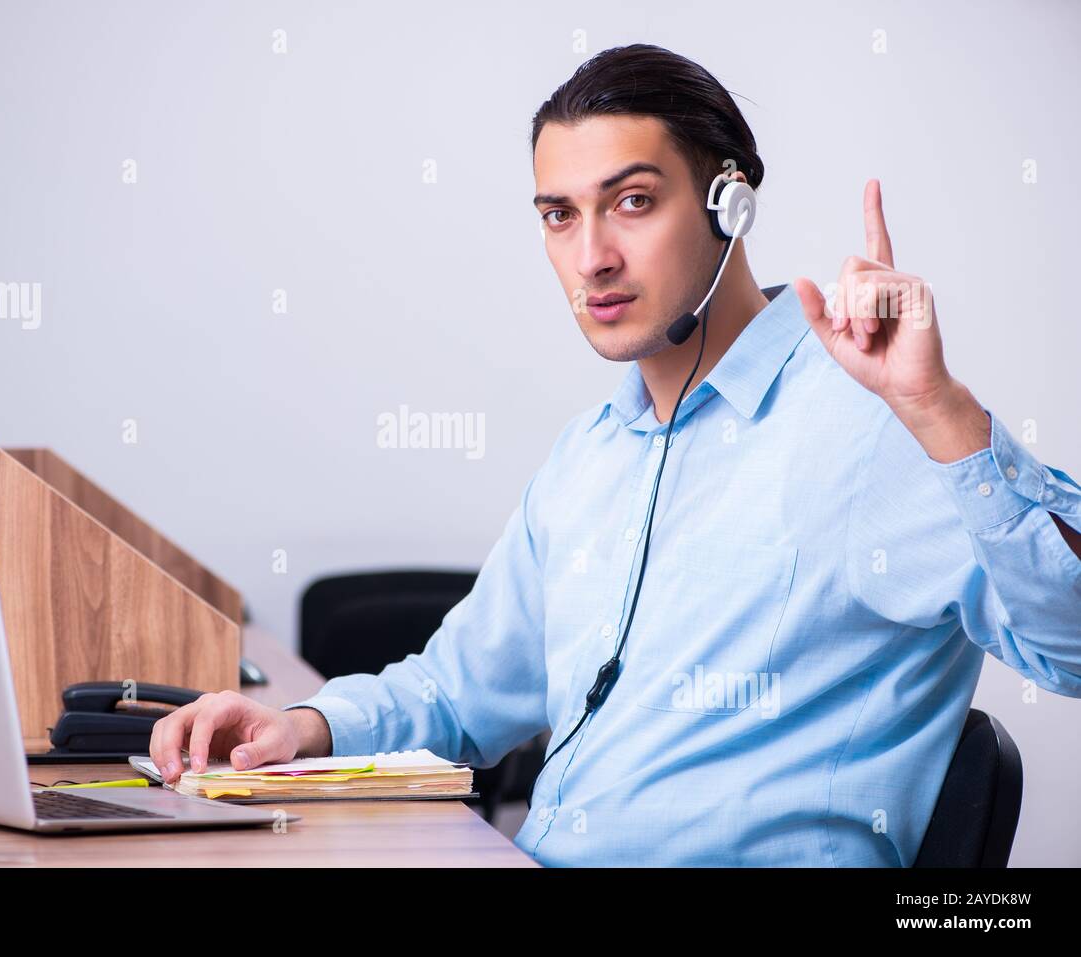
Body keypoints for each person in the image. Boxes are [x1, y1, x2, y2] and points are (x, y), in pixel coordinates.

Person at [151, 43, 1081, 866]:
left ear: (731, 203)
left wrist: (939, 408)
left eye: (632, 202)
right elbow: (461, 691)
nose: (591, 255)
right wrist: (303, 724)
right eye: (559, 214)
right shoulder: (595, 452)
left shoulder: (872, 425)